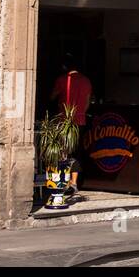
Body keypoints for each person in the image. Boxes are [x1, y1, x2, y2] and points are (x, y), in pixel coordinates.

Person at [49, 55, 91, 191]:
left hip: (64, 121)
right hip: (80, 121)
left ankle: (61, 180)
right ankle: (73, 181)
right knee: (76, 152)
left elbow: (52, 96)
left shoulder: (62, 80)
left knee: (62, 151)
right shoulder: (86, 81)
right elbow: (87, 102)